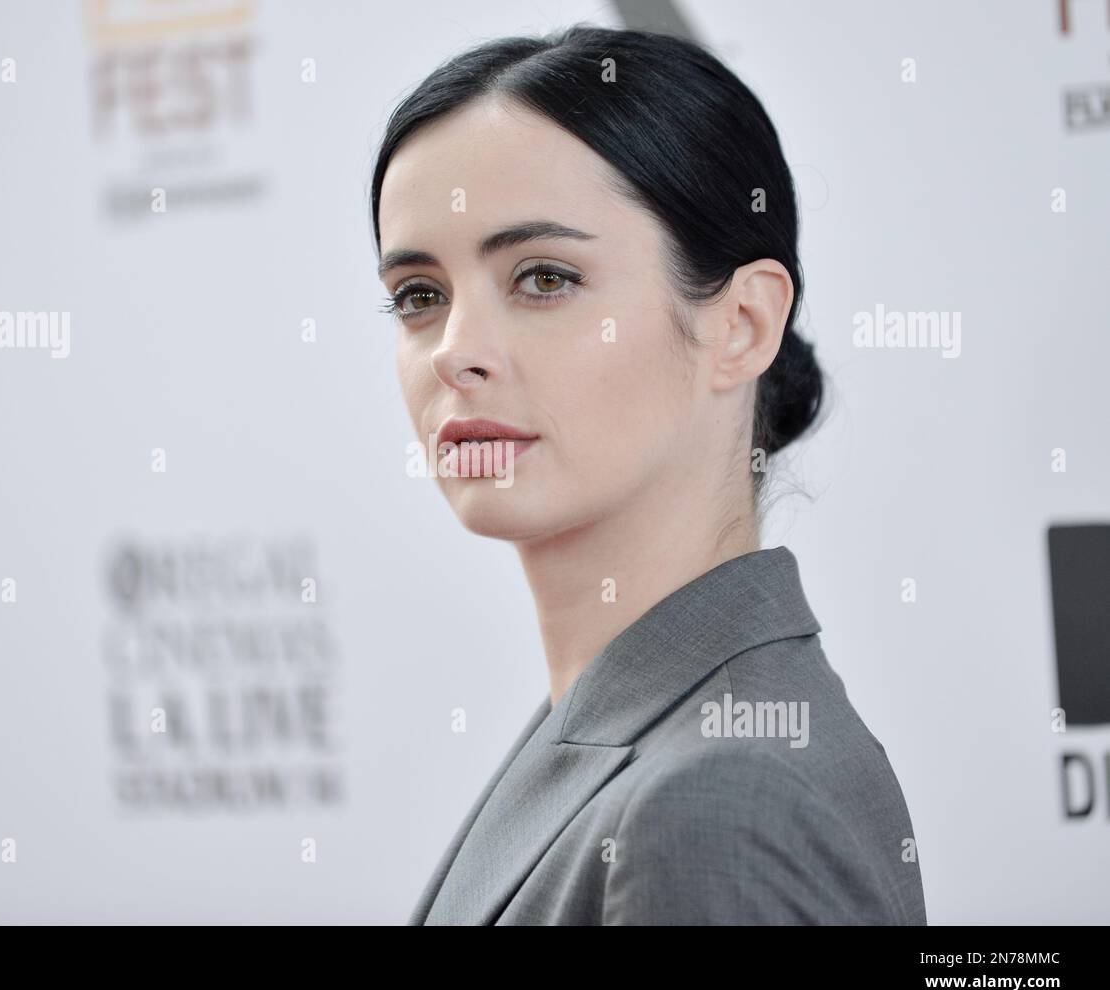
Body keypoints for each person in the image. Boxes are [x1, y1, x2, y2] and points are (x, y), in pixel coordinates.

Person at [369, 24, 926, 925]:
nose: (455, 353)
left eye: (543, 278)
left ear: (742, 323)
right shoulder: (635, 726)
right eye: (419, 296)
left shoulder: (721, 803)